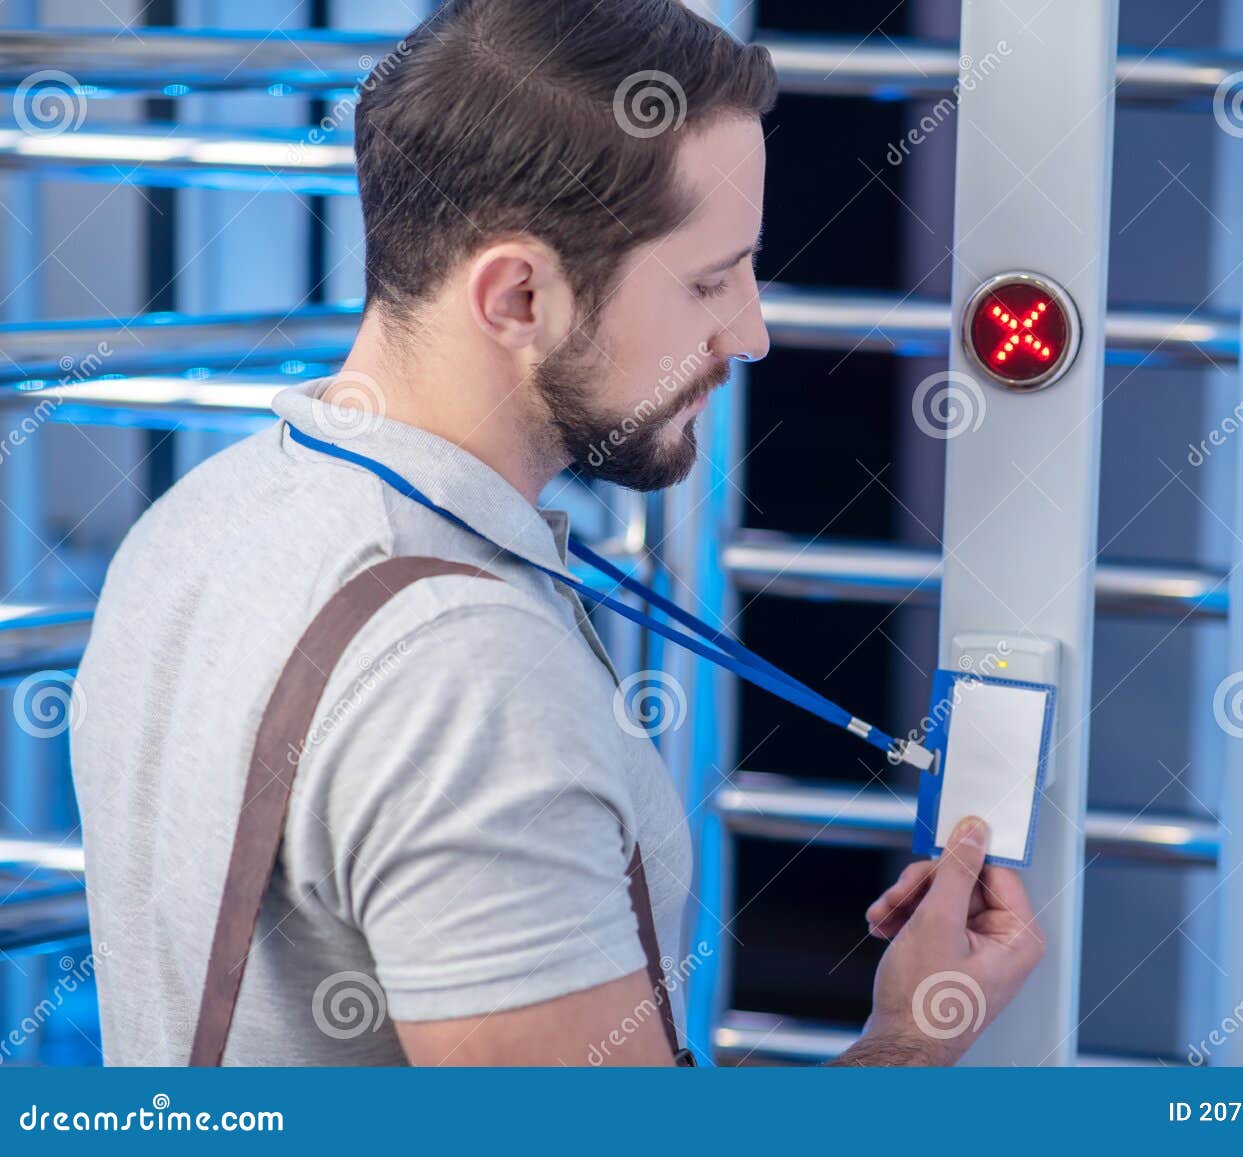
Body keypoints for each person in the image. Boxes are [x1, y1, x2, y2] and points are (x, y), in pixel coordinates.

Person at [69, 0, 1043, 1067]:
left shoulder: (200, 517)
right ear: (519, 294)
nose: (750, 332)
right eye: (708, 280)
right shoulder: (464, 674)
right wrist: (911, 1033)